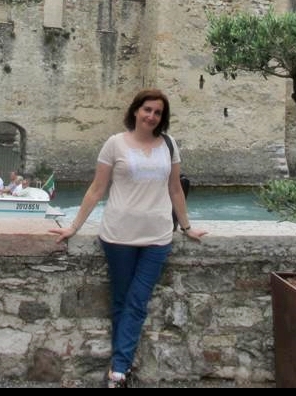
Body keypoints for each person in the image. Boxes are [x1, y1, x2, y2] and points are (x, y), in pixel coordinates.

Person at [48, 88, 206, 388]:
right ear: (135, 110)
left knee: (136, 300)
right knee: (122, 301)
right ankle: (120, 368)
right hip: (118, 235)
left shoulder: (169, 145)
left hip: (158, 237)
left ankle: (118, 370)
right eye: (147, 109)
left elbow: (175, 189)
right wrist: (74, 227)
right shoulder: (114, 144)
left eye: (158, 112)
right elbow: (97, 188)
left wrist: (186, 227)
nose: (151, 116)